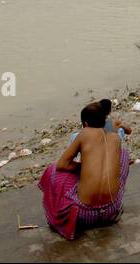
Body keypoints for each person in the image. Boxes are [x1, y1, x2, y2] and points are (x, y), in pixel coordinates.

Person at [39, 101, 131, 239]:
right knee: (123, 155)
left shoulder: (85, 133)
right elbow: (127, 130)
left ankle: (62, 217)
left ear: (86, 124)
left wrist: (86, 167)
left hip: (83, 214)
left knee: (52, 170)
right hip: (111, 209)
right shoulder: (116, 138)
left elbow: (62, 165)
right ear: (105, 119)